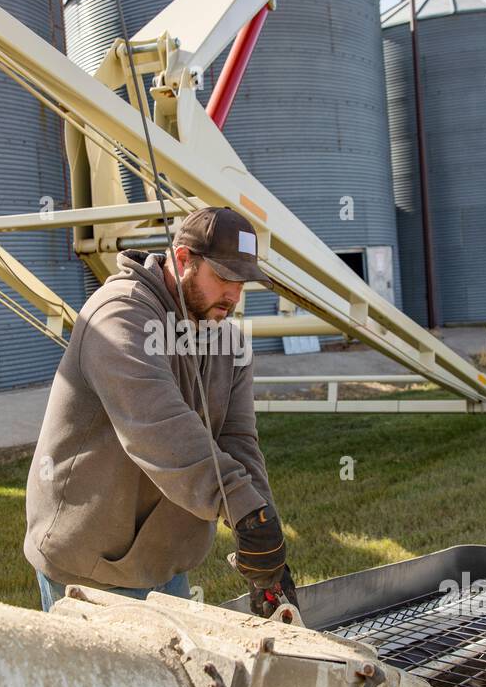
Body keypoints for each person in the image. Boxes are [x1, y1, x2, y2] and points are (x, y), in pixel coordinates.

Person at [23, 206, 297, 616]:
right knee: (110, 683)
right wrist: (239, 506)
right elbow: (159, 427)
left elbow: (238, 441)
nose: (234, 297)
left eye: (242, 282)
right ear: (184, 259)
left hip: (163, 559)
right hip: (91, 563)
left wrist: (262, 530)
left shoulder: (227, 341)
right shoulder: (119, 315)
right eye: (224, 277)